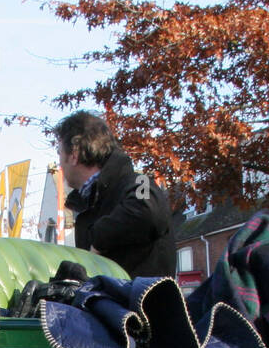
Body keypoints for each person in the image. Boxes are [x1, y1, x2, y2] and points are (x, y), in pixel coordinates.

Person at [53, 110, 177, 278]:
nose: (59, 163)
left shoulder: (140, 181)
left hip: (140, 301)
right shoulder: (88, 204)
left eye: (60, 153)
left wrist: (98, 239)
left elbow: (147, 211)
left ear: (74, 155)